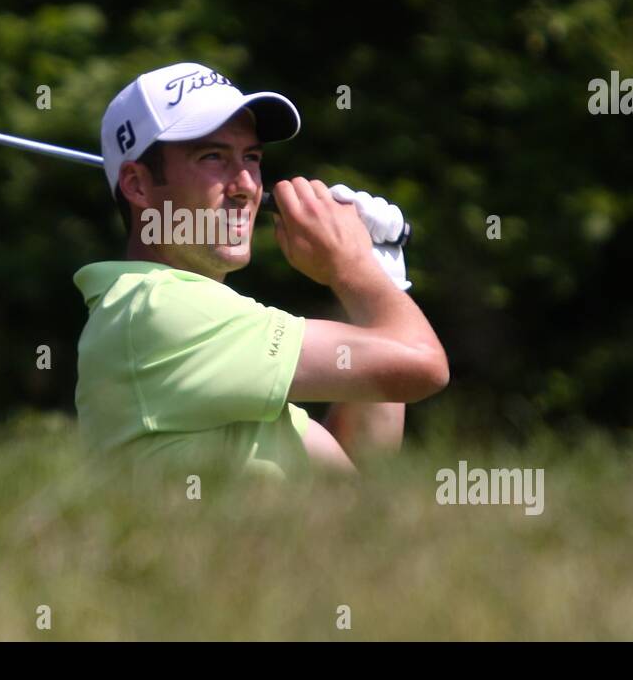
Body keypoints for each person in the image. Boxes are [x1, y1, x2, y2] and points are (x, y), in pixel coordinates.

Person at [73, 62, 449, 480]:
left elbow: (355, 469)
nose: (246, 185)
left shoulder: (194, 332)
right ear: (137, 185)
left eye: (251, 157)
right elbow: (424, 367)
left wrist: (382, 280)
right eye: (213, 157)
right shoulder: (159, 308)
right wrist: (354, 266)